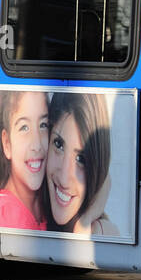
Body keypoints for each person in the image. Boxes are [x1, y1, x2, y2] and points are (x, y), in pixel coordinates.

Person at [43, 91, 118, 237]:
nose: (64, 178)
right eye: (58, 145)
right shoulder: (29, 206)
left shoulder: (102, 232)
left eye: (81, 159)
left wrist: (83, 224)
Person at [0, 91, 50, 229]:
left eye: (43, 125)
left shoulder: (39, 201)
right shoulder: (10, 215)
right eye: (24, 128)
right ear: (7, 143)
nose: (36, 145)